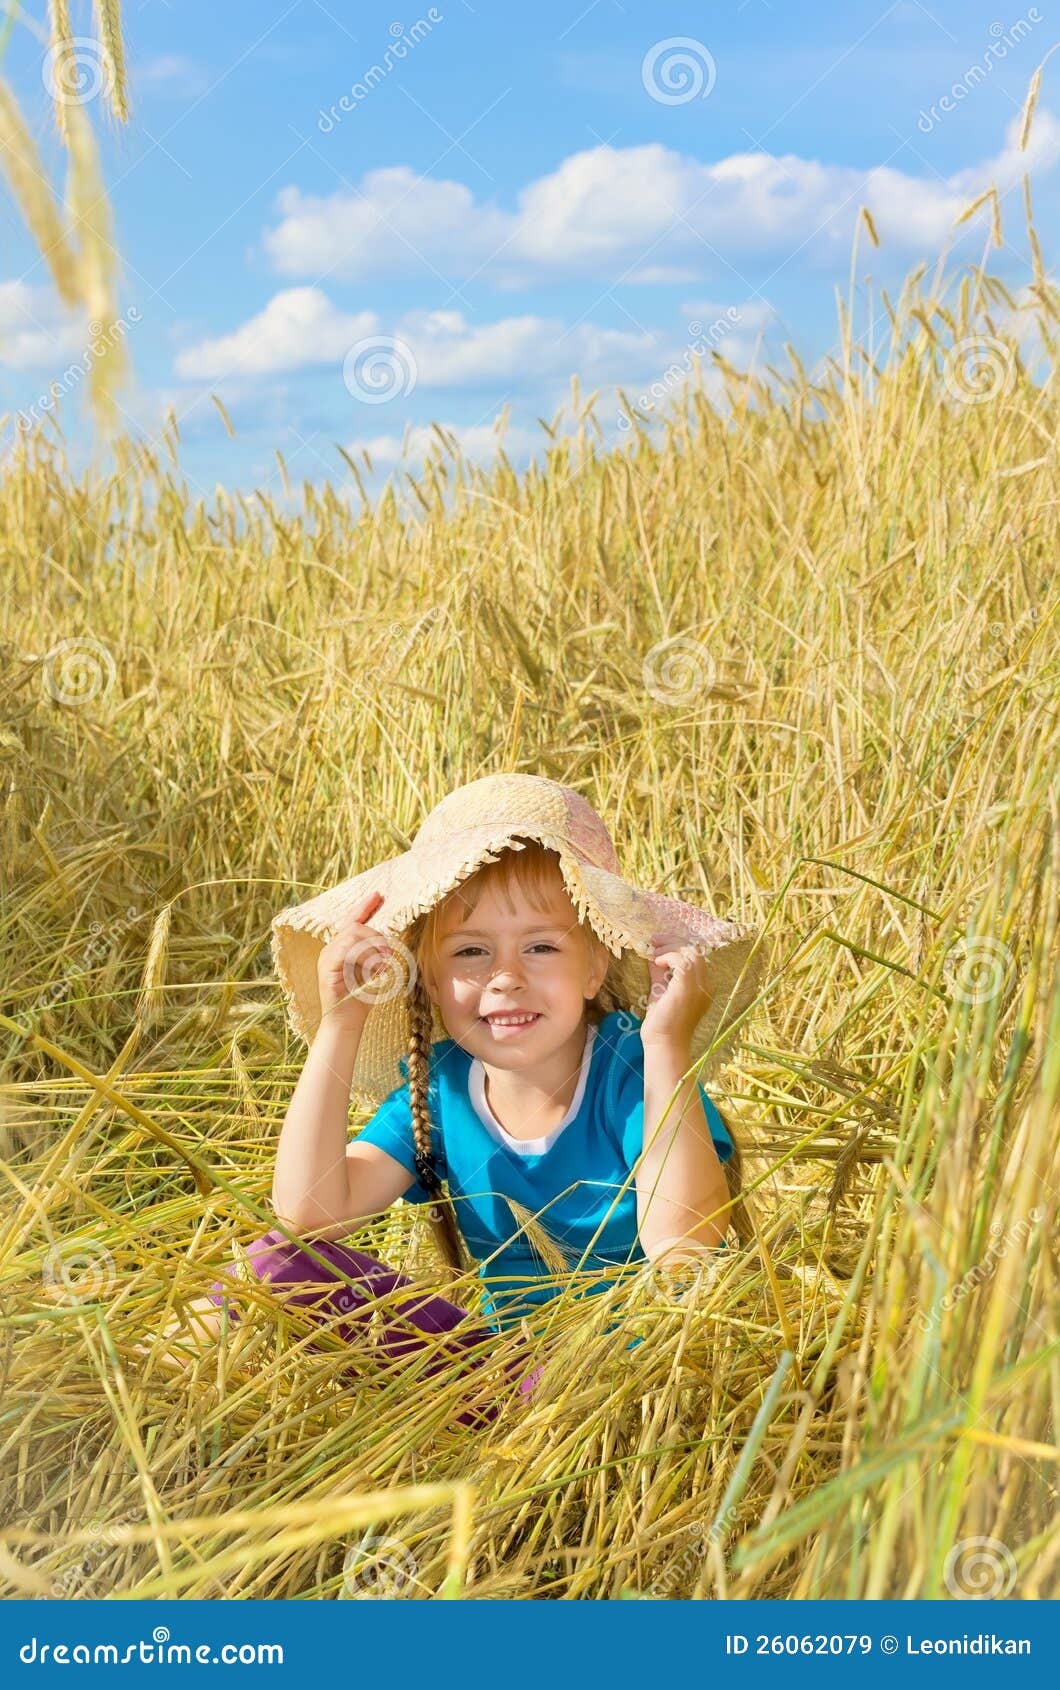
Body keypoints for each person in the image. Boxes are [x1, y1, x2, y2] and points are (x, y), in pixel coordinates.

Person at [171, 774, 762, 1430]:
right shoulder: (440, 1089)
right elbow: (310, 1214)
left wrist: (668, 1051)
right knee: (269, 1262)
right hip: (496, 1381)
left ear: (595, 966)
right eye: (472, 951)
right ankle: (160, 1410)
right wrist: (341, 1024)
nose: (506, 976)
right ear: (427, 974)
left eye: (541, 946)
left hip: (631, 1391)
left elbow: (681, 1244)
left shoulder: (636, 1073)